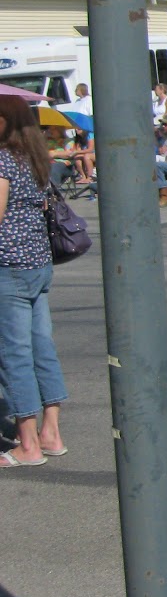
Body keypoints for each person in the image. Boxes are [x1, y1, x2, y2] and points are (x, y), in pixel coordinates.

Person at [0, 96, 69, 469]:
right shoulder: (36, 160)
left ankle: (27, 444)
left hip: (7, 265)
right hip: (38, 264)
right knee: (41, 346)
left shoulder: (1, 161)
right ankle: (51, 433)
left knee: (13, 354)